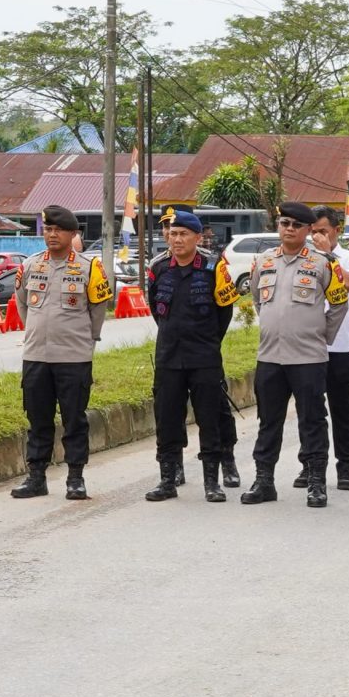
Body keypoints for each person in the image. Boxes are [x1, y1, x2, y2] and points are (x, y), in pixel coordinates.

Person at [237, 200, 349, 507]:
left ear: (308, 230)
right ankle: (264, 482)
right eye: (284, 223)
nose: (289, 229)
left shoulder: (323, 263)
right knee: (268, 420)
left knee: (312, 420)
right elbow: (259, 301)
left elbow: (339, 304)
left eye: (296, 225)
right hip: (270, 355)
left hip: (309, 357)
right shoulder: (264, 261)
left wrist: (321, 335)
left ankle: (316, 482)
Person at [10, 204, 112, 501]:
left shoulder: (88, 267)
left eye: (59, 230)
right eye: (48, 230)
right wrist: (36, 333)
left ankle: (75, 478)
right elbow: (22, 304)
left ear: (72, 233)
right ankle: (36, 477)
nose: (52, 235)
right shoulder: (30, 265)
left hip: (74, 358)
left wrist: (85, 342)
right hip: (37, 356)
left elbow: (98, 310)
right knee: (37, 419)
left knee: (74, 419)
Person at [143, 210, 237, 503]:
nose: (177, 239)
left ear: (198, 237)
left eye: (184, 234)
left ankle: (212, 481)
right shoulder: (158, 268)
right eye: (173, 233)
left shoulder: (214, 267)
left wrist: (206, 342)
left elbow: (225, 312)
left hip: (204, 357)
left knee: (210, 418)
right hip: (169, 357)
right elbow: (156, 308)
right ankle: (167, 480)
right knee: (167, 419)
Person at [307, 207, 349, 492]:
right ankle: (310, 466)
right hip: (307, 347)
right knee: (310, 411)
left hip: (338, 346)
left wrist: (328, 255)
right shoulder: (302, 258)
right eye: (313, 231)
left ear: (336, 230)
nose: (317, 236)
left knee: (342, 410)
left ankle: (345, 468)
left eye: (322, 231)